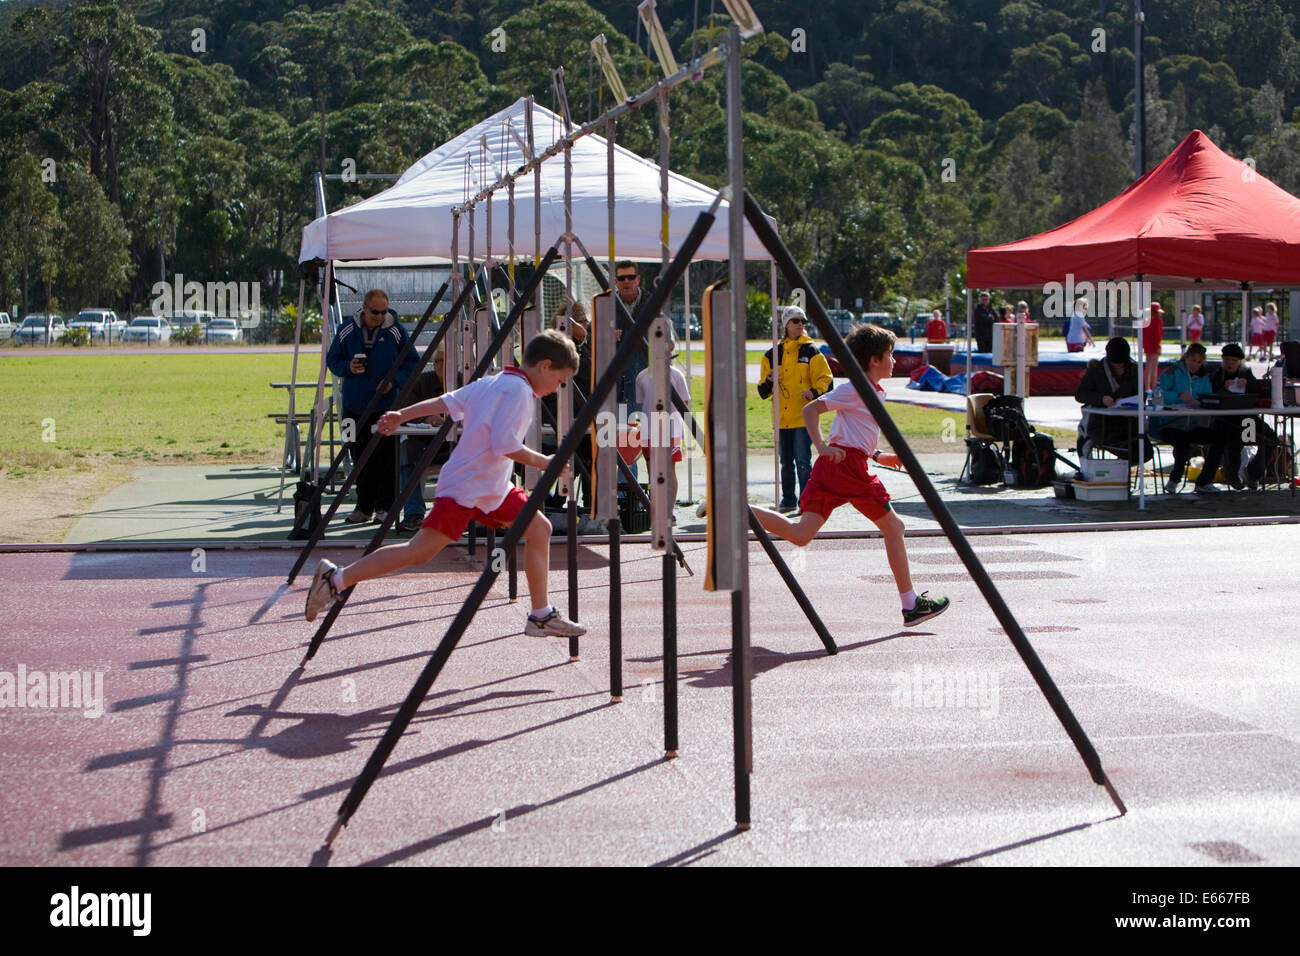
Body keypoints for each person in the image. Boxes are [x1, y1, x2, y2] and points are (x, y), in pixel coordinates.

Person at [305, 330, 587, 639]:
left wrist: (402, 414)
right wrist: (544, 461)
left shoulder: (493, 381)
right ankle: (335, 579)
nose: (556, 389)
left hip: (491, 488)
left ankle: (540, 614)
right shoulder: (518, 392)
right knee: (419, 552)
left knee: (539, 529)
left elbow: (446, 401)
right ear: (545, 366)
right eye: (559, 381)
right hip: (466, 486)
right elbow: (503, 444)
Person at [753, 324, 950, 628]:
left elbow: (854, 431)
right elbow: (810, 410)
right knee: (895, 527)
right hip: (846, 467)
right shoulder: (856, 389)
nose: (895, 361)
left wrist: (877, 455)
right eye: (891, 354)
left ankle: (734, 507)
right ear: (874, 360)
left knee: (800, 535)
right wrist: (821, 446)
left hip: (839, 465)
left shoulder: (870, 391)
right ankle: (911, 604)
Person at [326, 289, 418, 524]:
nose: (378, 316)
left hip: (385, 406)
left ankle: (385, 507)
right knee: (357, 455)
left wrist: (393, 381)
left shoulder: (397, 331)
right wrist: (349, 367)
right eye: (374, 312)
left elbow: (411, 363)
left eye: (383, 312)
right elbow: (332, 360)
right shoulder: (346, 330)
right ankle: (363, 507)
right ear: (364, 308)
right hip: (353, 405)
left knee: (386, 457)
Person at [757, 306, 834, 512]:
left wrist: (813, 391)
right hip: (782, 419)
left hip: (803, 418)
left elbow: (827, 381)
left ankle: (806, 501)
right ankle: (788, 500)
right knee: (786, 462)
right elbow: (763, 392)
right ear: (786, 325)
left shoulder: (811, 351)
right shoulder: (772, 355)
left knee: (803, 461)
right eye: (796, 321)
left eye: (803, 321)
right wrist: (769, 381)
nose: (800, 324)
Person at [1153, 341, 1224, 494]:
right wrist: (1178, 395)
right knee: (1182, 443)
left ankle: (1204, 481)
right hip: (1168, 424)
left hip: (1192, 425)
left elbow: (1209, 396)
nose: (1195, 365)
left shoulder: (1204, 377)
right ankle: (1174, 480)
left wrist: (1201, 402)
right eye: (1193, 360)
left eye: (1199, 362)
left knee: (1219, 439)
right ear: (1186, 358)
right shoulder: (1172, 372)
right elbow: (1157, 395)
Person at [542, 302, 593, 515]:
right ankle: (552, 502)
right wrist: (580, 344)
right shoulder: (555, 347)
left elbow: (593, 373)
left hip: (584, 417)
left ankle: (592, 507)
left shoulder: (588, 345)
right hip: (557, 418)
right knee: (564, 458)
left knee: (592, 457)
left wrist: (584, 341)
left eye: (586, 321)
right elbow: (577, 371)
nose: (586, 325)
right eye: (582, 321)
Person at [634, 327, 691, 513]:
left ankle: (669, 509)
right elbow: (643, 403)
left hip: (671, 429)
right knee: (652, 469)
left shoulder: (676, 375)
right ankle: (656, 507)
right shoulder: (642, 376)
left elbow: (685, 403)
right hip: (649, 429)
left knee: (669, 469)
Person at [396, 344, 449, 534]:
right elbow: (406, 406)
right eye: (436, 361)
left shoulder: (465, 381)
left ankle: (468, 514)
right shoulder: (422, 381)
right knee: (406, 450)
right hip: (425, 444)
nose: (439, 365)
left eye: (444, 361)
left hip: (458, 445)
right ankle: (413, 513)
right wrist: (426, 417)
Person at [1074, 336, 1148, 462]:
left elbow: (1142, 394)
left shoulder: (1135, 370)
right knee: (1129, 451)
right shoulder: (1096, 370)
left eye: (1122, 363)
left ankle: (1120, 472)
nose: (1119, 366)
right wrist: (1101, 399)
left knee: (1145, 452)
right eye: (1116, 363)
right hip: (1102, 426)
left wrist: (1126, 401)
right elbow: (1080, 394)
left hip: (1128, 425)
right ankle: (1117, 473)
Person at [1208, 342, 1260, 490]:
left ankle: (1253, 472)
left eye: (1234, 361)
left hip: (1247, 419)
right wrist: (1222, 388)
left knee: (1270, 439)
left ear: (1240, 362)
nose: (1230, 364)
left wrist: (1248, 385)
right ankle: (1232, 475)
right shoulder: (1216, 375)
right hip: (1225, 420)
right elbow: (1209, 397)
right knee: (1233, 439)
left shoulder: (1246, 374)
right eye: (1227, 360)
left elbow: (1258, 393)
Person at [1142, 301, 1164, 392]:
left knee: (1148, 367)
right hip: (1155, 345)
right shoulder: (1158, 320)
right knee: (1154, 367)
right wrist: (1158, 346)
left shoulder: (1145, 320)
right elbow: (1158, 334)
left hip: (1147, 345)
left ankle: (1147, 387)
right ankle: (1153, 387)